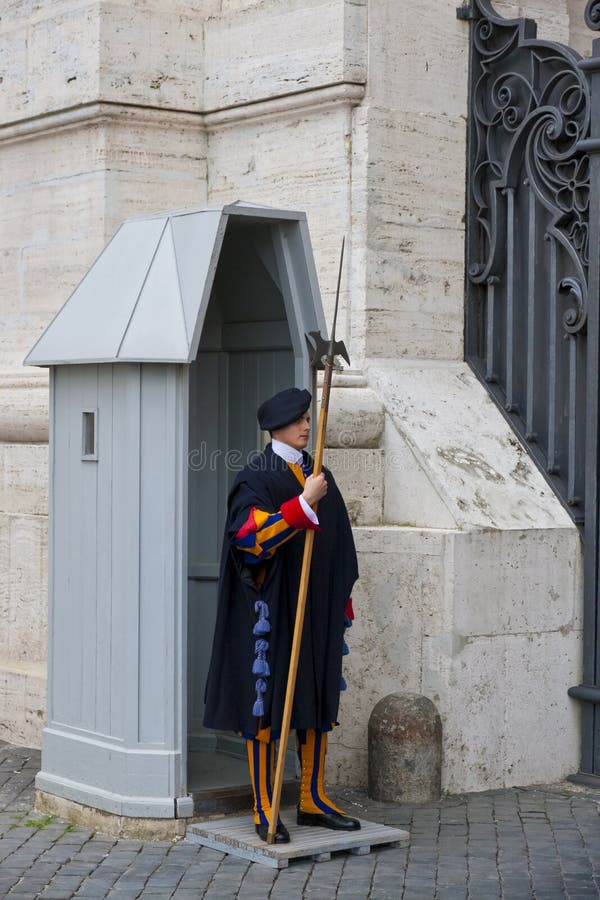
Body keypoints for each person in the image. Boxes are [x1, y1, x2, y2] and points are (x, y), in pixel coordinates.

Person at [203, 387, 360, 843]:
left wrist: (339, 602)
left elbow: (338, 543)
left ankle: (312, 798)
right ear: (276, 429)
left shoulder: (319, 472)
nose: (306, 427)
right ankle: (264, 802)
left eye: (308, 419)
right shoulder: (257, 475)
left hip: (315, 610)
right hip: (269, 612)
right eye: (297, 422)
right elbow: (250, 538)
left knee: (315, 696)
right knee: (266, 704)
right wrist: (303, 504)